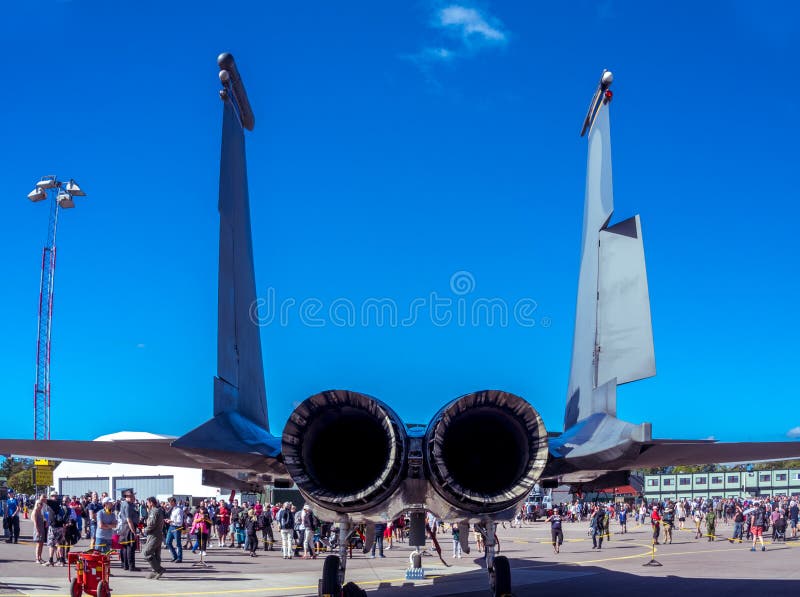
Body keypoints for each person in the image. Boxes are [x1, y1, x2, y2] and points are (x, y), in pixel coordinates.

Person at [117, 489, 141, 571]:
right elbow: (129, 519)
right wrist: (134, 532)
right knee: (130, 547)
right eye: (130, 496)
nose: (132, 497)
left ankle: (125, 565)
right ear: (126, 497)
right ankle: (131, 566)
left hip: (125, 527)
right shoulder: (127, 505)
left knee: (125, 548)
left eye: (133, 496)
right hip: (128, 527)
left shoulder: (127, 504)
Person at [143, 497, 166, 579]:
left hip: (154, 535)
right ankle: (155, 571)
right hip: (157, 534)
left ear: (151, 503)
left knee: (146, 552)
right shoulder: (157, 510)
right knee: (156, 554)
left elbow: (152, 524)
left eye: (148, 503)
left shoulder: (154, 511)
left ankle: (158, 569)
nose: (147, 504)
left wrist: (144, 530)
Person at [166, 497, 184, 563]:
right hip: (171, 526)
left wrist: (171, 521)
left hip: (177, 527)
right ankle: (175, 556)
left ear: (173, 502)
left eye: (170, 502)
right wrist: (169, 520)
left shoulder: (179, 510)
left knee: (178, 543)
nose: (169, 504)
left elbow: (180, 521)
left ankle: (179, 558)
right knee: (167, 542)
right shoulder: (172, 509)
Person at [32, 495, 47, 564]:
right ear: (37, 504)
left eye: (42, 504)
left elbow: (44, 519)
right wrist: (37, 530)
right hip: (37, 529)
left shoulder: (40, 512)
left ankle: (40, 557)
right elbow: (35, 522)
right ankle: (37, 558)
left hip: (42, 529)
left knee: (41, 544)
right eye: (40, 504)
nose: (41, 505)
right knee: (38, 544)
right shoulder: (35, 511)